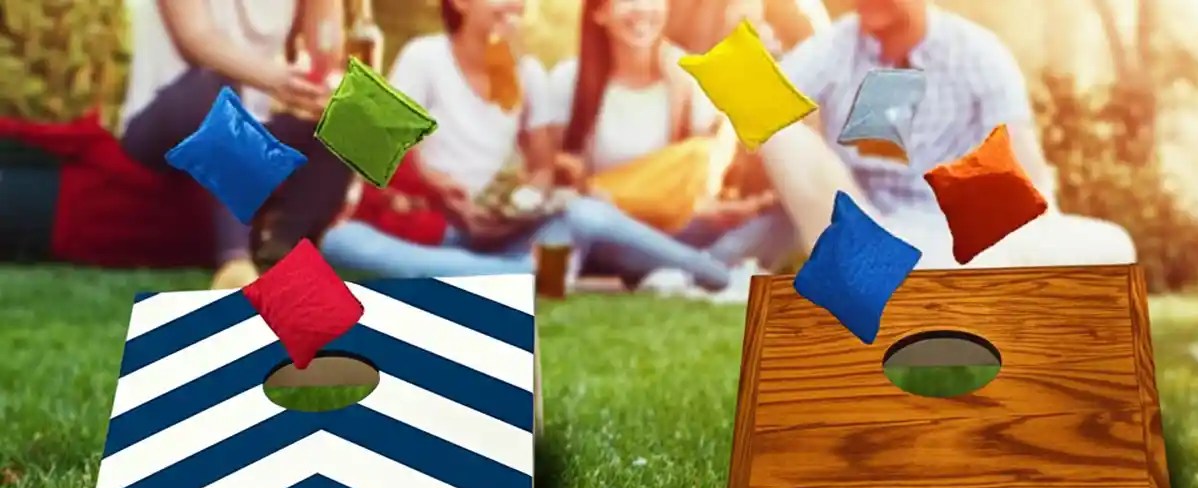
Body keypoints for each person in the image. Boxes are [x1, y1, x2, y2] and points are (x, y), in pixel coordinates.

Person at [319, 0, 734, 289]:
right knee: (341, 243)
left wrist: (519, 205)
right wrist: (438, 187)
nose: (514, 5)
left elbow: (541, 170)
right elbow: (375, 153)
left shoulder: (529, 73)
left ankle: (709, 272)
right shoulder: (425, 57)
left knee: (582, 213)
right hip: (428, 227)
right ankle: (517, 276)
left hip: (500, 233)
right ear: (461, 2)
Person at [758, 0, 1136, 268]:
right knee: (775, 127)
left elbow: (1026, 170)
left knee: (1113, 246)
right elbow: (761, 109)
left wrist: (1042, 239)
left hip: (964, 240)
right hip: (869, 227)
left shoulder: (978, 53)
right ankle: (872, 266)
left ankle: (931, 277)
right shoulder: (835, 48)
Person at [547, 0, 793, 284]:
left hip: (677, 228)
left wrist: (720, 209)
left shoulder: (685, 77)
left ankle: (677, 273)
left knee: (789, 210)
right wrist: (582, 187)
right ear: (600, 13)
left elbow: (696, 181)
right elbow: (552, 183)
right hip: (613, 233)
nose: (643, 8)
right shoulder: (569, 81)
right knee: (581, 214)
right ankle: (713, 273)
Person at [119, 0, 355, 289]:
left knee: (348, 120)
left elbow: (325, 55)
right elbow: (196, 42)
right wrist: (276, 79)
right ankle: (234, 261)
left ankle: (279, 251)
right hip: (167, 115)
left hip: (251, 125)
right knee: (217, 83)